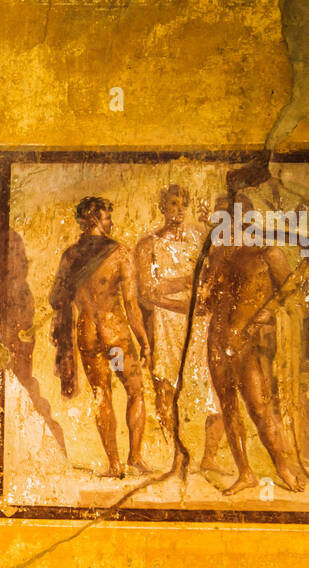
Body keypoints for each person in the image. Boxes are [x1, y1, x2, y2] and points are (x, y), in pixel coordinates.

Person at [202, 194, 308, 494]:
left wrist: (268, 311)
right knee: (229, 407)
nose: (217, 223)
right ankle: (245, 472)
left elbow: (289, 286)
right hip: (219, 337)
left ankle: (283, 468)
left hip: (250, 339)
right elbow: (209, 303)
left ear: (242, 217)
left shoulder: (265, 249)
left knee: (260, 408)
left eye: (224, 216)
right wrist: (204, 291)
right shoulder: (217, 253)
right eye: (216, 217)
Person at [50, 196, 152, 477]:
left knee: (101, 394)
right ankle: (135, 457)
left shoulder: (70, 256)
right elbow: (131, 306)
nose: (111, 222)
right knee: (135, 391)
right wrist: (144, 342)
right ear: (94, 218)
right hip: (115, 333)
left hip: (88, 334)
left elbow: (57, 297)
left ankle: (114, 464)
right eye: (107, 217)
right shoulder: (120, 254)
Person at [135, 184, 226, 470]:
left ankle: (209, 457)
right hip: (167, 322)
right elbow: (147, 292)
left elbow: (211, 275)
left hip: (201, 320)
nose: (179, 209)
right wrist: (187, 286)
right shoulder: (148, 243)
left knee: (215, 386)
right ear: (162, 207)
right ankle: (177, 452)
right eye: (173, 203)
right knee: (167, 387)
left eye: (182, 203)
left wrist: (205, 294)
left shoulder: (200, 238)